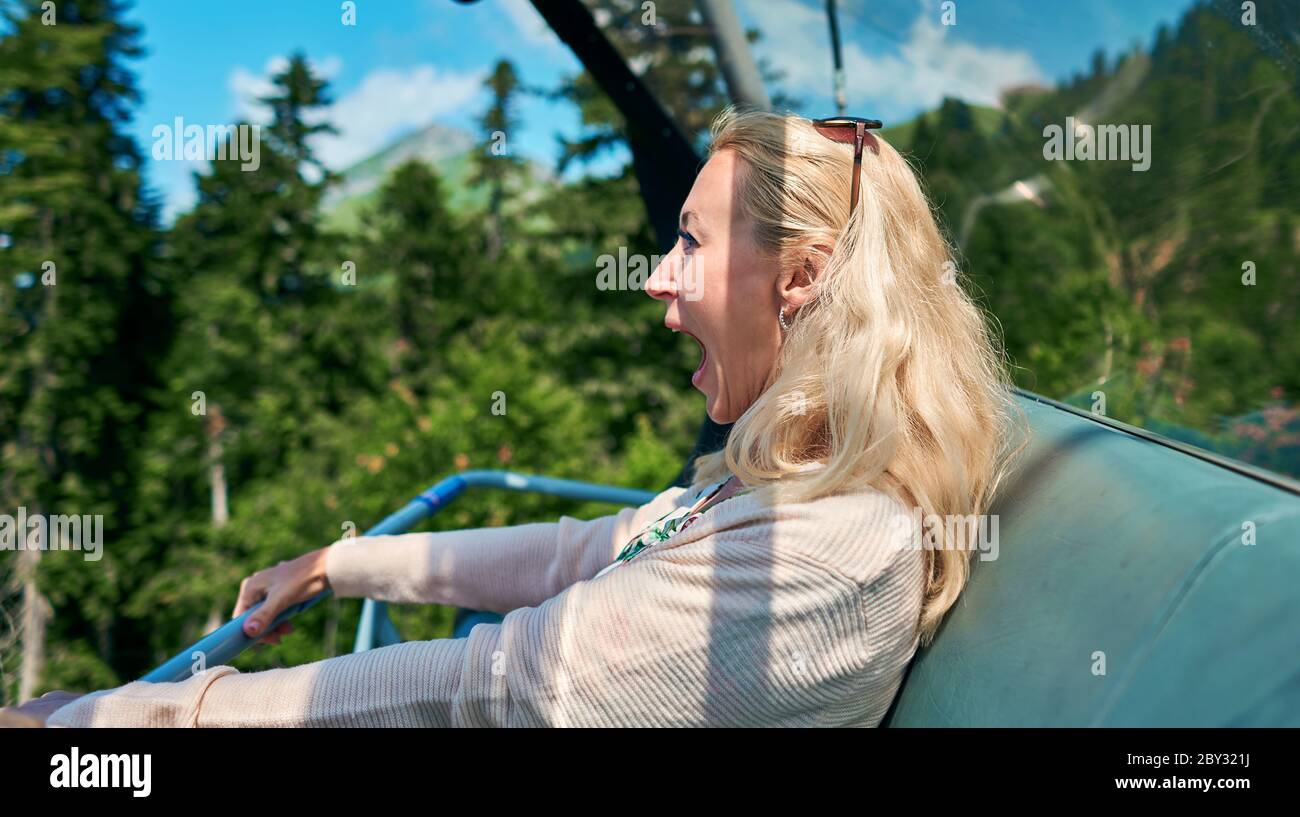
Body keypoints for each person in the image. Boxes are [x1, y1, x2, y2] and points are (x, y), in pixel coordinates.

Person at [24, 107, 1025, 728]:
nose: (657, 279)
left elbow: (495, 691)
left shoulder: (821, 550)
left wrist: (108, 726)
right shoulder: (788, 486)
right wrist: (341, 564)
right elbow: (581, 552)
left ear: (799, 278)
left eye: (688, 242)